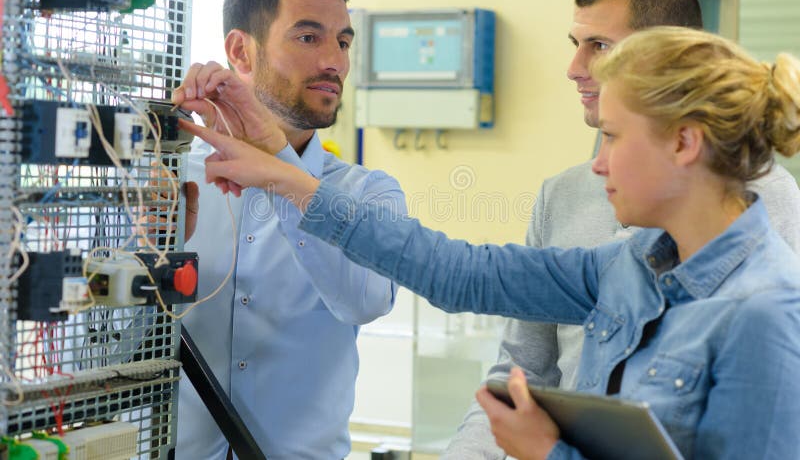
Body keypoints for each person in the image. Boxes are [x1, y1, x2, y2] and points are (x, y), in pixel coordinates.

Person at [180, 25, 800, 459]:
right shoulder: (634, 265)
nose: (598, 165)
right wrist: (289, 172)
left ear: (684, 143)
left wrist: (547, 451)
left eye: (612, 137)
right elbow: (463, 273)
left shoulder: (765, 316)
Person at [444, 0, 800, 458]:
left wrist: (550, 453)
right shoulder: (562, 194)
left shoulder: (765, 211)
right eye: (576, 45)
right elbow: (521, 369)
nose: (575, 69)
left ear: (664, 56)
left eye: (601, 47)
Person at [171, 0, 405, 459]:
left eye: (343, 42)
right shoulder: (169, 185)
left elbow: (363, 302)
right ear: (241, 51)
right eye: (308, 38)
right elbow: (109, 350)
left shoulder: (370, 195)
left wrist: (277, 164)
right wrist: (157, 253)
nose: (335, 62)